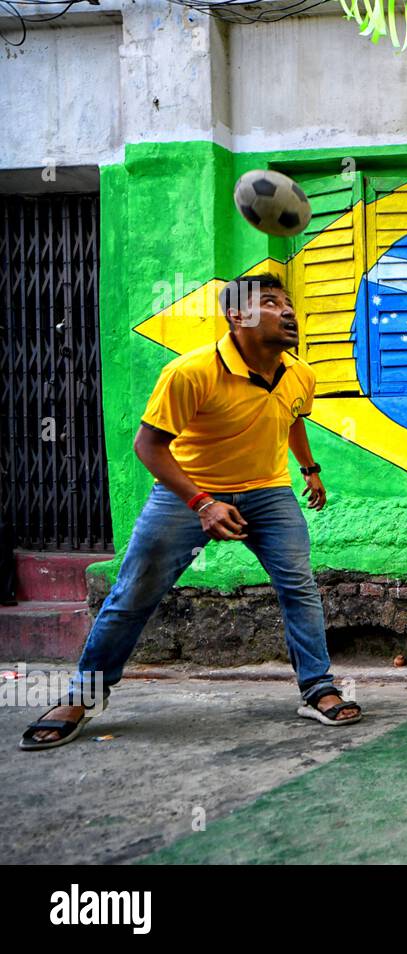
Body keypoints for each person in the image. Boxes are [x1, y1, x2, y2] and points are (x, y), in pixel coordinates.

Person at [20, 274, 360, 751]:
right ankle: (82, 697)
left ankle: (317, 687)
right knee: (132, 594)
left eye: (288, 304)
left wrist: (309, 469)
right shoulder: (191, 371)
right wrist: (202, 502)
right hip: (185, 495)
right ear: (237, 316)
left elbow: (292, 417)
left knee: (300, 588)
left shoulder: (300, 373)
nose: (288, 312)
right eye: (270, 303)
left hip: (269, 493)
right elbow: (149, 446)